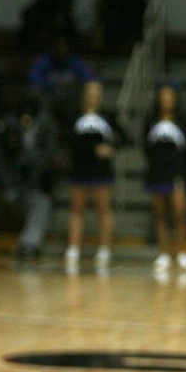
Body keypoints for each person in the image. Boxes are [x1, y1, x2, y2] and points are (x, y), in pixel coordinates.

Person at [0, 96, 58, 261]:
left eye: (15, 136)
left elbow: (33, 181)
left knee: (42, 202)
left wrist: (17, 192)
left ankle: (29, 244)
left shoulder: (31, 155)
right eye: (8, 136)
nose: (11, 140)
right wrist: (5, 190)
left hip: (23, 196)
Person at [64, 80, 124, 272]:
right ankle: (73, 248)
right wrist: (91, 149)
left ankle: (105, 249)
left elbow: (124, 137)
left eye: (97, 94)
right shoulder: (75, 116)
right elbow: (68, 140)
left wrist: (111, 148)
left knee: (103, 209)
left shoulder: (108, 117)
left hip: (101, 170)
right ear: (84, 95)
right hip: (80, 168)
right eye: (90, 93)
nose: (93, 97)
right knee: (77, 208)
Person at [144, 83, 186, 273]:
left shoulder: (182, 121)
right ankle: (163, 253)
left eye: (170, 96)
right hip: (157, 171)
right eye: (163, 96)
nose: (166, 100)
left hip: (177, 171)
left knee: (180, 212)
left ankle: (181, 252)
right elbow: (146, 147)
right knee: (160, 213)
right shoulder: (150, 121)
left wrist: (183, 174)